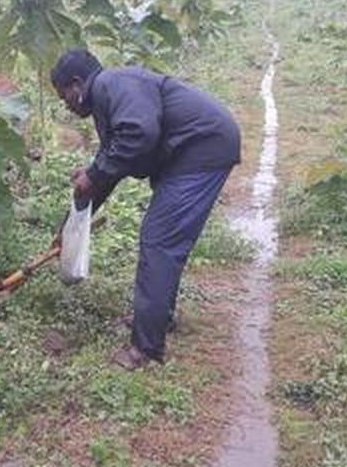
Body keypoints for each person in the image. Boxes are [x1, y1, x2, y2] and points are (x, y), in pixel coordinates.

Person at [51, 49, 241, 369]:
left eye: (64, 96)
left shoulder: (111, 84)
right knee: (162, 240)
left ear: (77, 83)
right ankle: (157, 319)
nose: (65, 105)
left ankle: (145, 350)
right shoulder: (106, 98)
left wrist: (94, 174)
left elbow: (139, 135)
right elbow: (110, 167)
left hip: (202, 148)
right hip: (190, 151)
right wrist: (70, 227)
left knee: (159, 240)